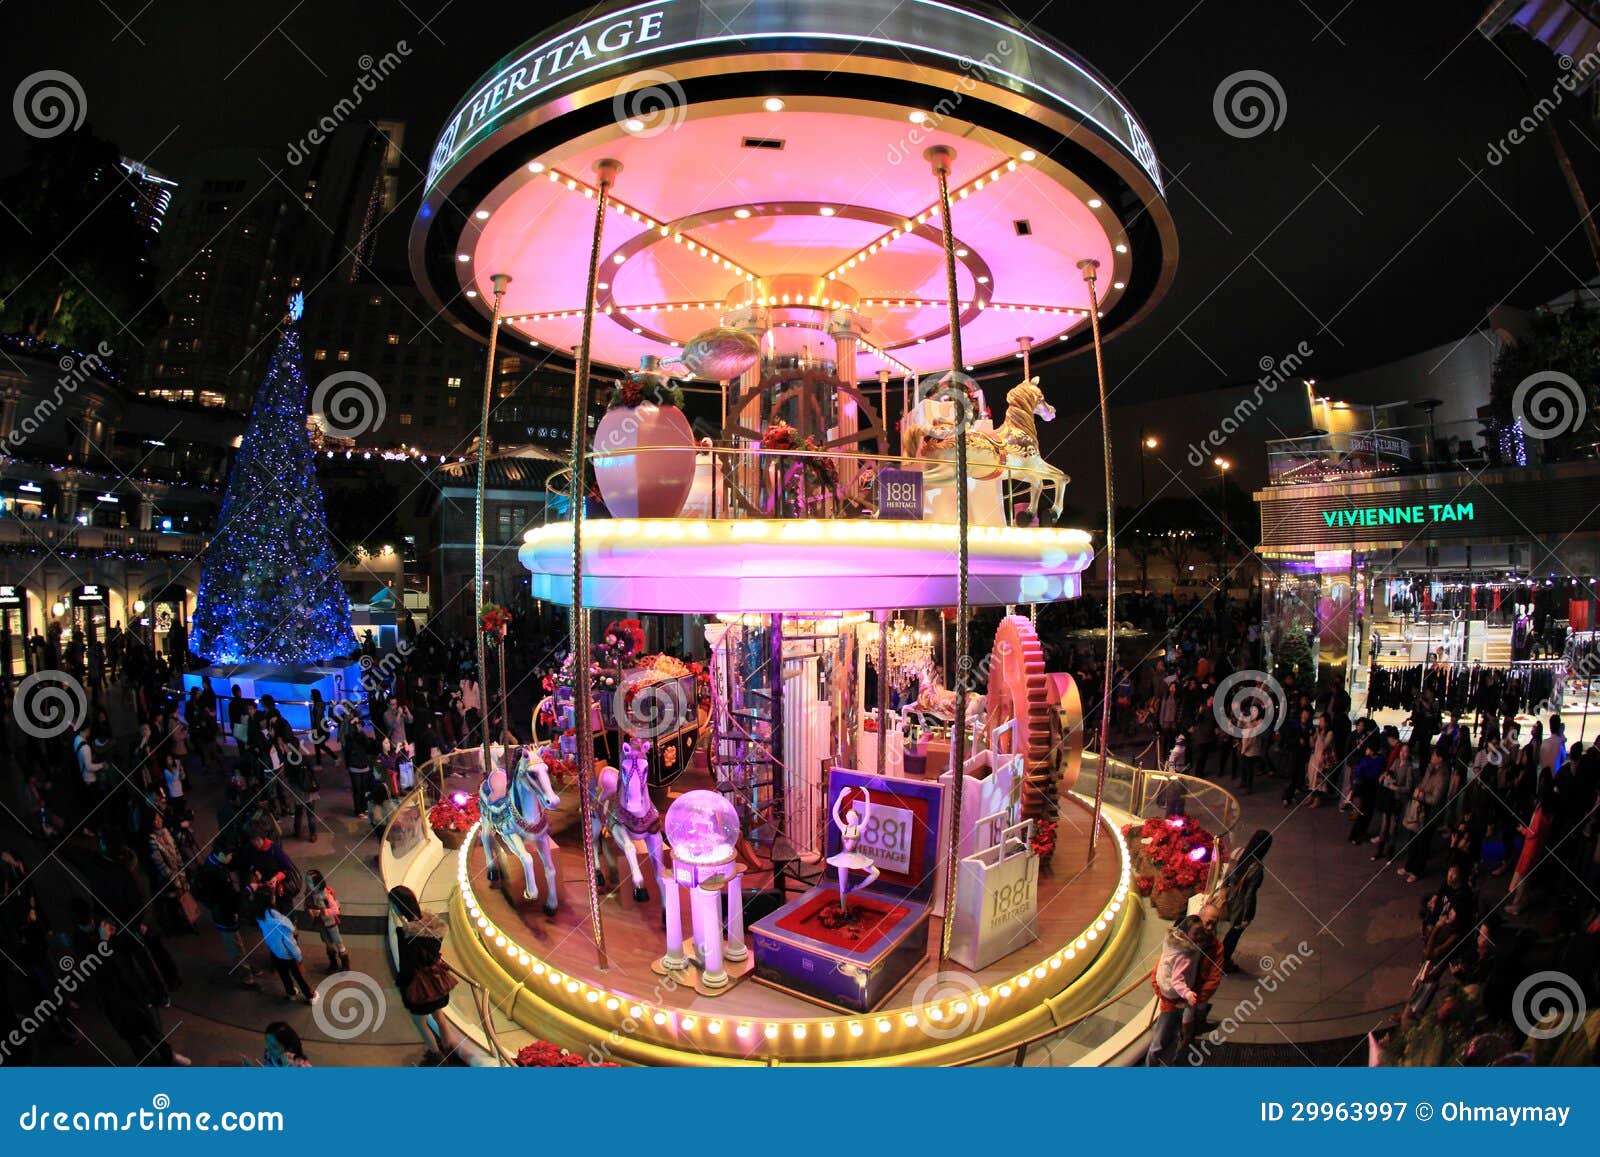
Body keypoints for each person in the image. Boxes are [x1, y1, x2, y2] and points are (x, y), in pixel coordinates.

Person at [391, 885, 455, 1060]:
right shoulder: (433, 925)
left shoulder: (406, 933)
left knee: (420, 1022)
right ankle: (449, 1049)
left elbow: (407, 965)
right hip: (437, 982)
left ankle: (436, 1055)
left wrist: (401, 985)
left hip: (420, 987)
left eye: (393, 905)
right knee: (439, 1017)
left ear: (399, 906)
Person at [192, 847, 258, 988]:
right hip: (224, 914)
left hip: (222, 912)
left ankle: (245, 967)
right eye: (229, 854)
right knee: (235, 945)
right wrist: (249, 890)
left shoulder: (213, 863)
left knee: (236, 943)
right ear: (221, 854)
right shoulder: (216, 874)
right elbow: (230, 898)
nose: (231, 857)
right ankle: (245, 977)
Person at [1146, 914, 1203, 1066]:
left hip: (1172, 996)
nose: (1200, 936)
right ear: (1184, 934)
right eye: (1196, 933)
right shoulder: (1185, 955)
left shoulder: (1171, 944)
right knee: (1162, 1038)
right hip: (1174, 999)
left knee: (1169, 1036)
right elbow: (1177, 980)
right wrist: (1187, 993)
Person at [1215, 829, 1272, 973]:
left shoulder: (1240, 854)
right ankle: (1223, 961)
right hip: (1240, 904)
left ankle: (1220, 959)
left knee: (1229, 932)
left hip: (1231, 896)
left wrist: (1224, 890)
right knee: (1234, 934)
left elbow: (1229, 875)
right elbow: (1249, 894)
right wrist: (1247, 916)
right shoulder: (1257, 868)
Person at [1505, 773, 1558, 916]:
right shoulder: (1549, 809)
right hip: (1537, 846)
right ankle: (1520, 900)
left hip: (1531, 847)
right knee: (1526, 875)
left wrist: (1522, 829)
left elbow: (1533, 832)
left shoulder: (1541, 810)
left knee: (1523, 875)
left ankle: (1517, 904)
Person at [252, 891, 316, 1003]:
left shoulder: (260, 917)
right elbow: (290, 943)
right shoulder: (280, 922)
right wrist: (298, 956)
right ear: (270, 900)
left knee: (284, 974)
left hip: (275, 952)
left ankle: (291, 993)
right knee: (298, 976)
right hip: (288, 954)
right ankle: (310, 996)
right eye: (272, 896)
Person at [304, 869, 349, 973]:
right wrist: (310, 911)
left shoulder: (326, 894)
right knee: (328, 943)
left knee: (338, 942)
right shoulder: (309, 894)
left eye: (310, 882)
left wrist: (321, 912)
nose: (307, 885)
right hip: (320, 923)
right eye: (307, 881)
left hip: (330, 923)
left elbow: (336, 910)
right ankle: (333, 964)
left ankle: (345, 965)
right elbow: (307, 905)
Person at [343, 717, 376, 816]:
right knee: (357, 789)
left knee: (364, 789)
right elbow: (348, 749)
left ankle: (364, 807)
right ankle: (358, 810)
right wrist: (352, 724)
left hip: (364, 765)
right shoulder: (349, 737)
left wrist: (361, 731)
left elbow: (368, 746)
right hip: (354, 767)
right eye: (357, 725)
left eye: (360, 725)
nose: (359, 727)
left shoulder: (363, 736)